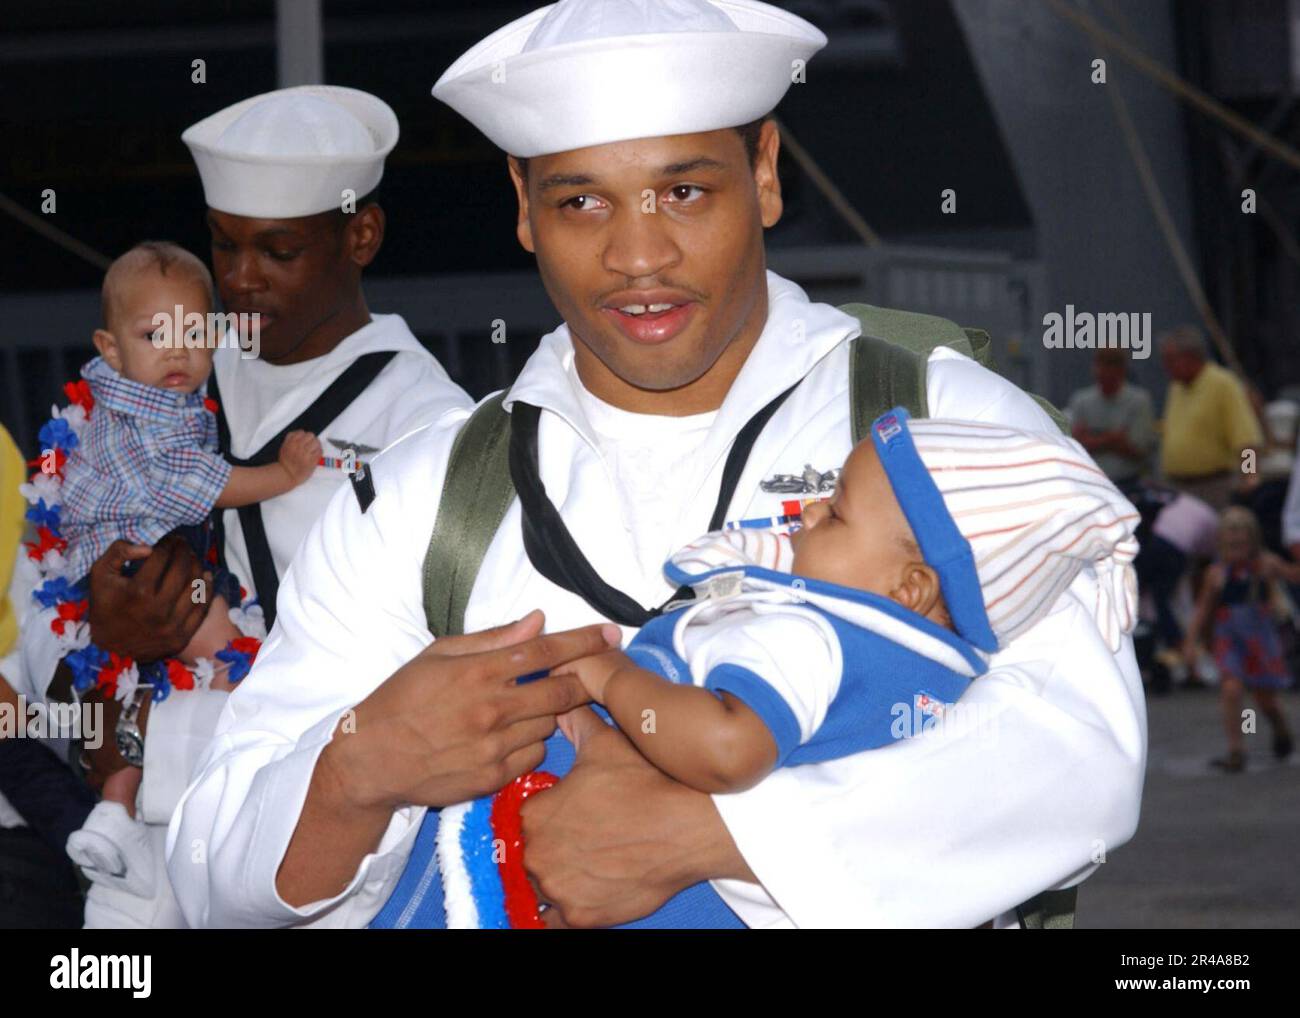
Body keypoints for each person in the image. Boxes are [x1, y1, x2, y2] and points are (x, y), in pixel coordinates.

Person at [169, 0, 1146, 930]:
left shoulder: (940, 421)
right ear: (522, 205)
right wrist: (359, 772)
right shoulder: (421, 503)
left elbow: (1079, 749)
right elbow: (209, 861)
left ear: (763, 171)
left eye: (683, 191)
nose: (637, 255)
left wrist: (705, 837)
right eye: (582, 200)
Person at [15, 86, 471, 928]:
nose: (240, 279)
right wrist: (94, 633)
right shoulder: (150, 378)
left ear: (359, 235)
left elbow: (419, 672)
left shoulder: (428, 422)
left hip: (317, 864)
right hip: (131, 864)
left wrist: (167, 737)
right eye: (223, 246)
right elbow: (39, 581)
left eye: (278, 250)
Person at [560, 411, 1140, 796]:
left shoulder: (812, 638)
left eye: (835, 512)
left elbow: (726, 750)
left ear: (909, 589)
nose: (809, 512)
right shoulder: (919, 675)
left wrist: (610, 680)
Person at [1183, 506, 1296, 772]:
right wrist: (1190, 642)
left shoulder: (1266, 564)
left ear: (1253, 540)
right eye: (1231, 542)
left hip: (1259, 638)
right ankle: (1237, 750)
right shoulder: (1216, 573)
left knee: (1264, 699)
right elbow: (1202, 609)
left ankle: (1279, 727)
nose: (1236, 547)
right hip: (1230, 638)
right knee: (1231, 689)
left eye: (1242, 541)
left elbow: (1293, 575)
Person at [1158, 325, 1262, 510]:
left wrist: (1249, 475)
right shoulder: (1176, 388)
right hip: (1178, 487)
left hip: (1214, 487)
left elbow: (1247, 439)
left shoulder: (1223, 384)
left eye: (1170, 360)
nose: (1165, 367)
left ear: (1190, 357)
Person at [1067, 347, 1156, 491]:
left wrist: (1093, 438)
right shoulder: (1081, 401)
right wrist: (1113, 439)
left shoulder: (1139, 401)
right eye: (1100, 367)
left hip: (1129, 484)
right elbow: (1076, 446)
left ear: (1121, 370)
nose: (1104, 374)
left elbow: (1140, 450)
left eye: (1110, 367)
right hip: (1091, 484)